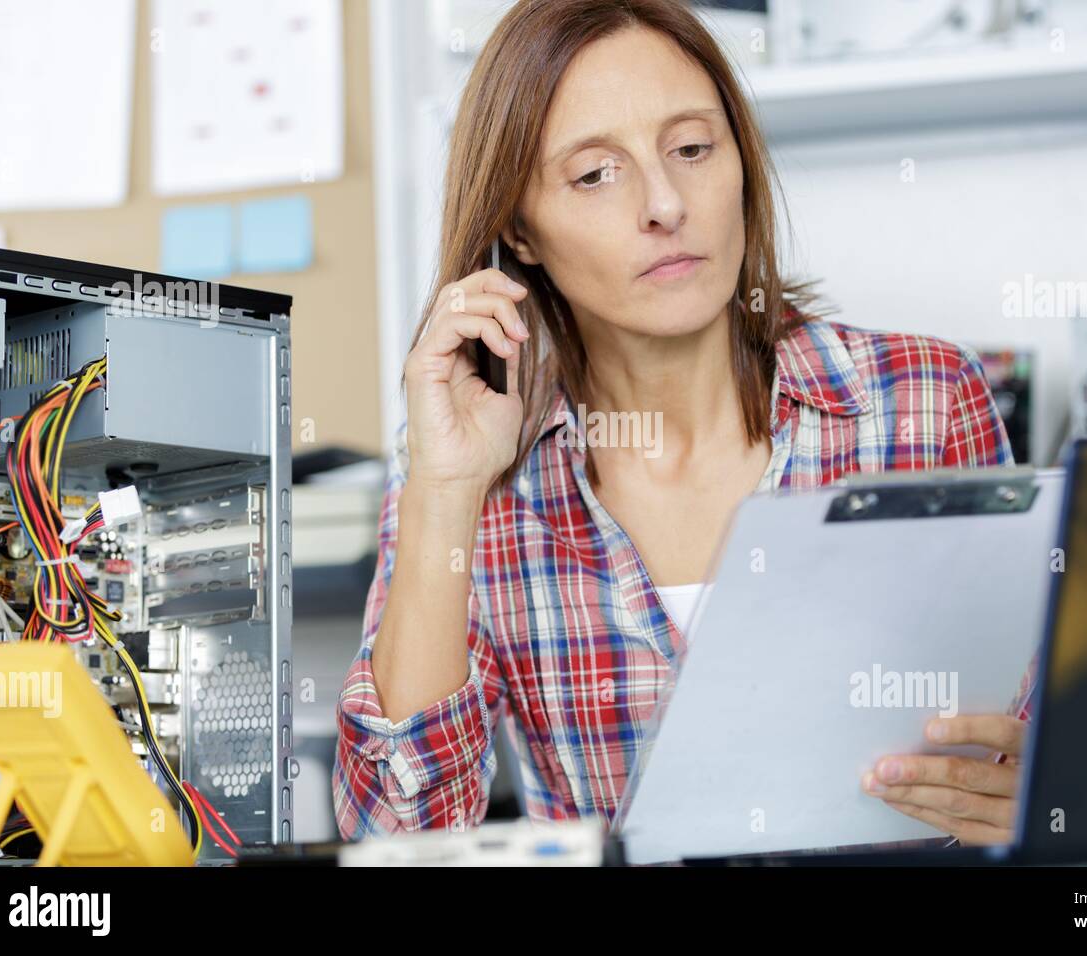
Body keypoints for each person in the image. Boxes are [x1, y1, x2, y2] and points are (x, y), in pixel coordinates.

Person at [334, 0, 1028, 848]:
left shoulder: (922, 402)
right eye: (595, 174)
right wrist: (443, 490)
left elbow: (1035, 758)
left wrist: (1031, 794)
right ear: (519, 231)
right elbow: (400, 839)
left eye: (692, 149)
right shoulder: (473, 479)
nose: (665, 203)